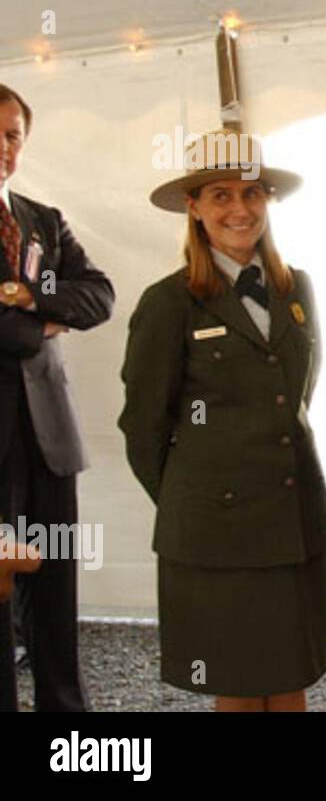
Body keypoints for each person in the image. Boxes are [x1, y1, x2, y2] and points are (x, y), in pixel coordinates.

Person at [118, 131, 326, 712]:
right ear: (193, 207)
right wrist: (194, 501)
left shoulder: (297, 289)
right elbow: (142, 425)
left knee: (291, 673)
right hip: (218, 530)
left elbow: (297, 394)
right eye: (219, 196)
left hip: (293, 518)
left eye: (251, 193)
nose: (239, 210)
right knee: (237, 679)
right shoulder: (169, 302)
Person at [0, 84, 114, 712]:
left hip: (50, 438)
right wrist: (39, 325)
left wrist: (27, 298)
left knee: (55, 582)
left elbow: (98, 295)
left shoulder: (42, 219)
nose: (4, 146)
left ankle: (65, 719)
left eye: (13, 134)